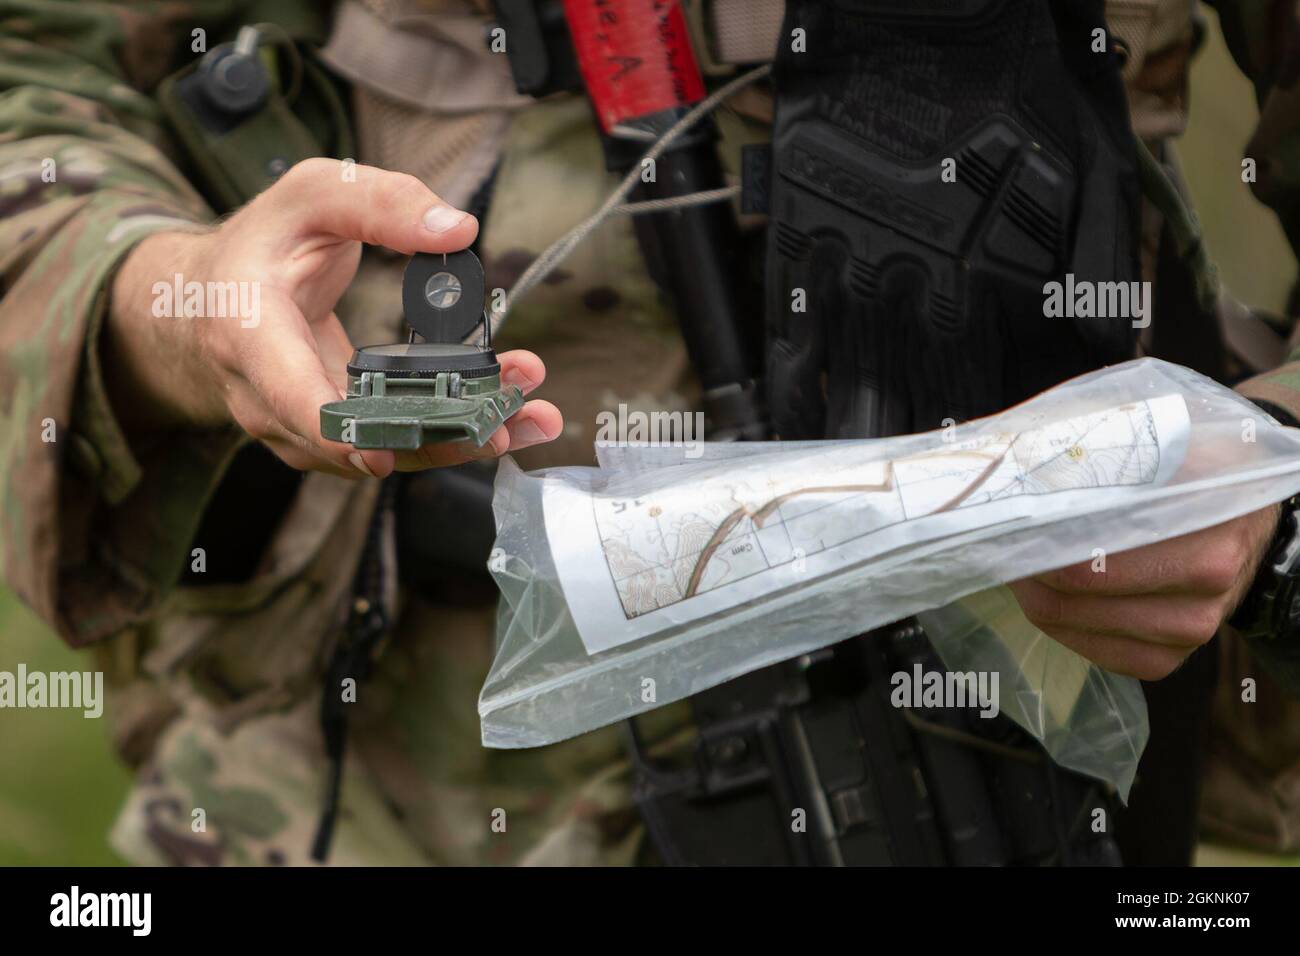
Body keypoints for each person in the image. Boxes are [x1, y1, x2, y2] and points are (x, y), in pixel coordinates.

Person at [0, 0, 1295, 864]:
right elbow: (36, 73)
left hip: (1002, 757)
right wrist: (162, 296)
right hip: (358, 774)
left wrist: (1272, 480)